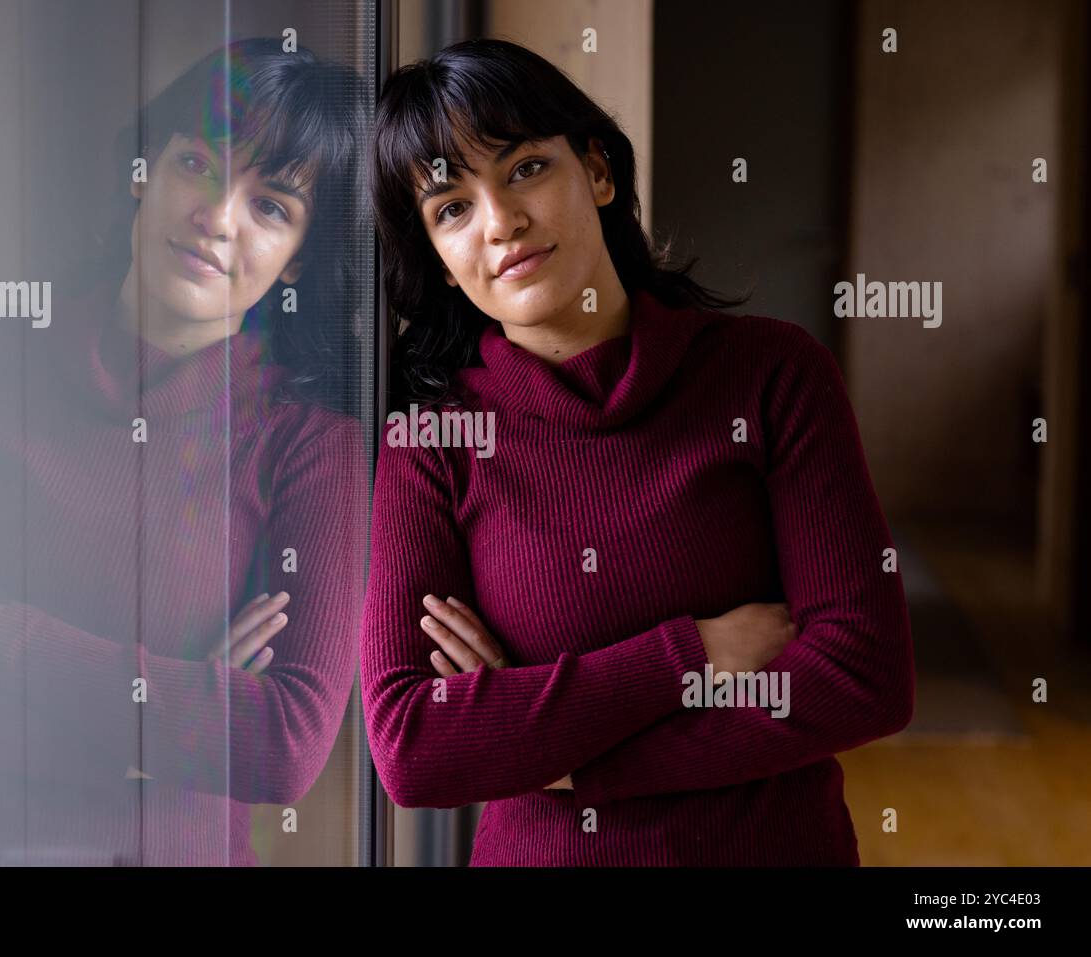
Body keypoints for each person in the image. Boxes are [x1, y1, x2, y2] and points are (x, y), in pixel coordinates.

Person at [360, 37, 915, 865]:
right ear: (438, 262)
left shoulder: (772, 374)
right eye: (451, 208)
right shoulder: (435, 439)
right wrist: (690, 652)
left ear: (598, 172)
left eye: (524, 170)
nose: (501, 222)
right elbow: (414, 746)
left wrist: (561, 753)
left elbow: (864, 677)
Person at [0, 38, 371, 866]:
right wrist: (171, 729)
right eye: (198, 163)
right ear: (146, 168)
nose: (218, 216)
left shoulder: (313, 443)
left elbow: (280, 745)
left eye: (273, 206)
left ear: (300, 262)